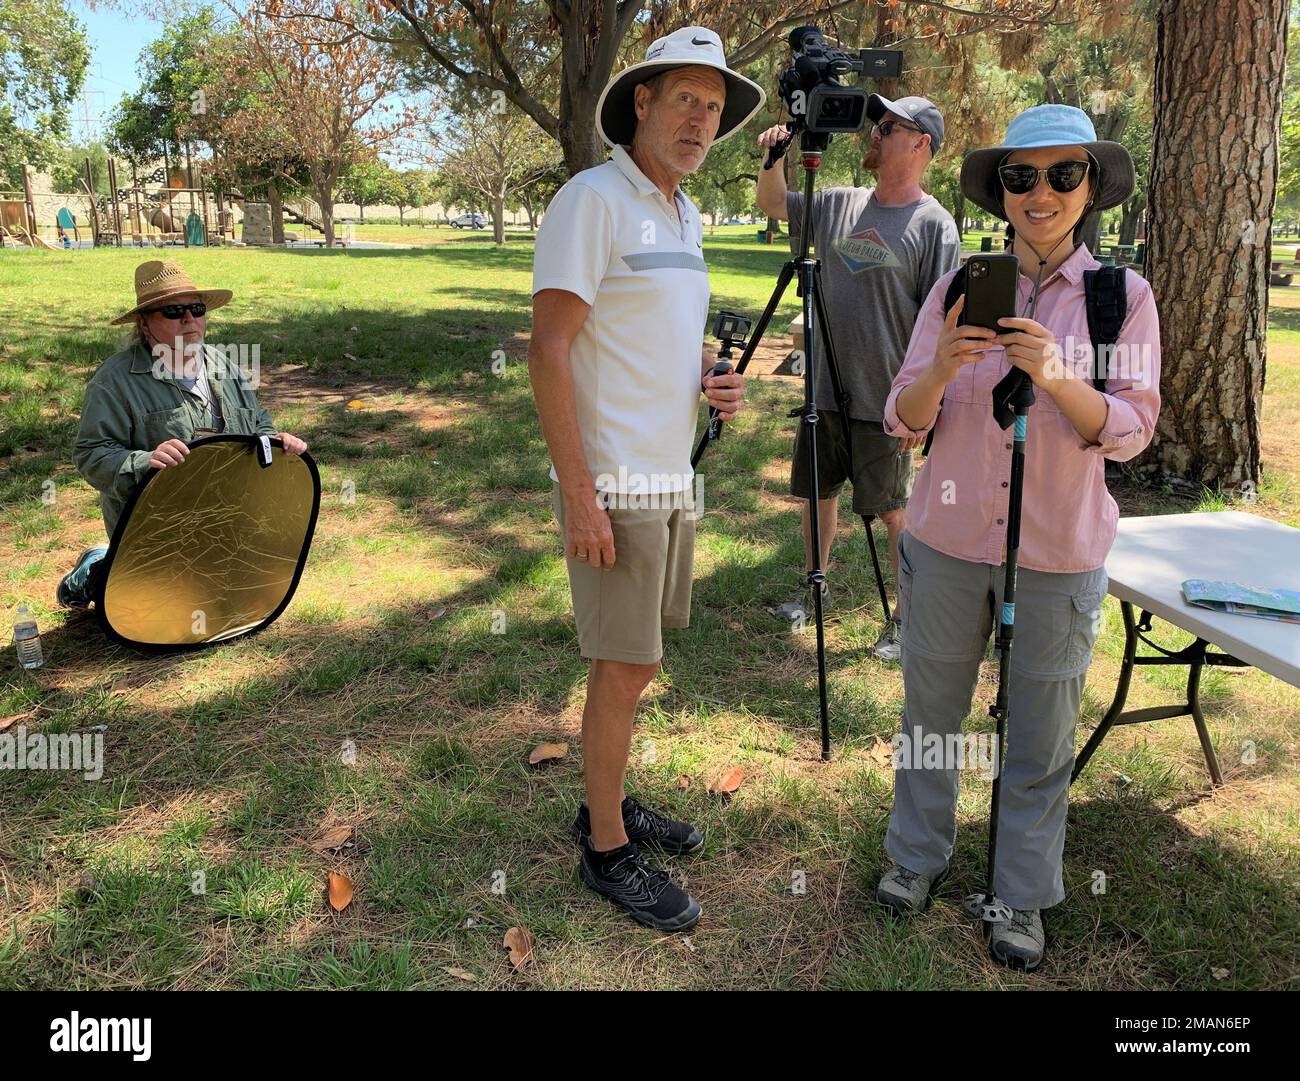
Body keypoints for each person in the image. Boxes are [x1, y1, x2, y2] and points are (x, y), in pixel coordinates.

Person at [874, 105, 1160, 971]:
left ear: (1090, 186)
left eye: (1062, 174)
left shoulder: (1123, 299)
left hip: (1058, 552)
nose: (1041, 193)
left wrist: (1060, 376)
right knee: (932, 715)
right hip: (950, 541)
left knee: (1039, 731)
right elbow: (902, 421)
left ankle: (1020, 894)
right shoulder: (957, 286)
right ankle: (913, 858)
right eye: (1021, 176)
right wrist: (941, 368)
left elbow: (1133, 428)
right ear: (999, 190)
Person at [528, 26, 763, 932]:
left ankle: (605, 804)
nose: (701, 121)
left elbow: (648, 329)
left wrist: (710, 372)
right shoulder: (592, 200)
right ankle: (607, 848)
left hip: (670, 478)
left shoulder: (684, 211)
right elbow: (551, 350)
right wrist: (579, 490)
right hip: (615, 481)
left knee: (640, 662)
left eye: (713, 106)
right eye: (685, 101)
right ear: (643, 103)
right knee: (622, 664)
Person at [755, 94, 961, 661]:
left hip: (888, 401)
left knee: (894, 510)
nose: (874, 133)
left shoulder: (934, 226)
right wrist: (774, 157)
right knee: (817, 494)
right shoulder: (839, 202)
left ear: (921, 144)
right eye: (875, 124)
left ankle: (903, 616)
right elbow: (774, 205)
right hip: (824, 391)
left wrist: (929, 407)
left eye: (888, 126)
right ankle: (814, 588)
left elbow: (944, 324)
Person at [58, 260, 308, 607]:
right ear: (145, 324)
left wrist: (276, 440)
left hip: (225, 525)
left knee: (241, 599)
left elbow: (258, 420)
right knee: (146, 613)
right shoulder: (114, 381)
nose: (189, 319)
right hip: (154, 533)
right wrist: (144, 461)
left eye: (196, 308)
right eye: (174, 311)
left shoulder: (227, 366)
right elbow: (91, 454)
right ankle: (96, 569)